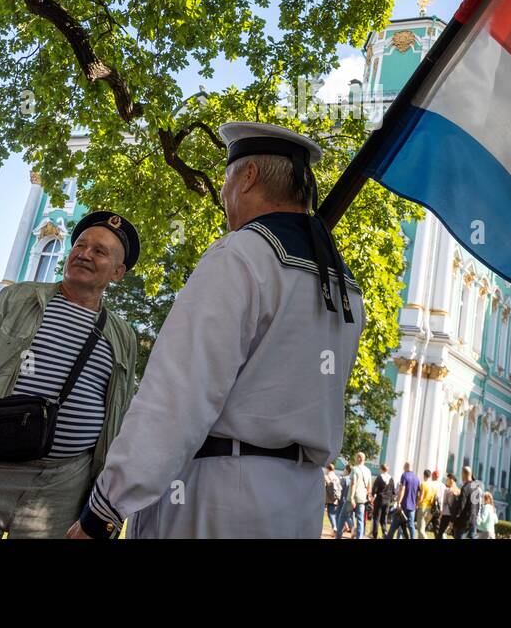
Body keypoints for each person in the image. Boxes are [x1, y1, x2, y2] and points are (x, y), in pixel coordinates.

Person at [69, 122, 366, 539]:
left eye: (227, 183)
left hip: (216, 498)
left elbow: (177, 395)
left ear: (247, 178)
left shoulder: (241, 254)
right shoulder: (345, 283)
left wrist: (107, 505)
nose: (224, 198)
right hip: (297, 503)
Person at [0, 210, 140, 538]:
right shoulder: (18, 298)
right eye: (79, 245)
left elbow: (119, 412)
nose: (84, 254)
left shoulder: (123, 335)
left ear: (118, 272)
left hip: (62, 487)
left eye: (99, 251)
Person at [387, 461, 419, 539]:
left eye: (404, 467)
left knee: (394, 525)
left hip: (403, 505)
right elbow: (419, 494)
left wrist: (398, 502)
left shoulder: (404, 475)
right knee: (411, 526)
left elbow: (402, 489)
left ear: (406, 467)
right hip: (412, 507)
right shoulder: (417, 478)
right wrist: (416, 504)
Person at [452, 466, 482, 540]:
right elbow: (478, 505)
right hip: (473, 520)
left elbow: (461, 506)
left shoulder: (465, 488)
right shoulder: (476, 488)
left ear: (464, 474)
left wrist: (453, 519)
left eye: (462, 473)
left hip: (463, 521)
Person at [370, 462, 396, 538]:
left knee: (376, 518)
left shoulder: (379, 477)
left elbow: (374, 489)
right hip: (387, 501)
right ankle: (384, 532)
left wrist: (372, 496)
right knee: (384, 518)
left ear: (381, 469)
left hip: (379, 500)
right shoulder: (391, 479)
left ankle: (375, 535)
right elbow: (393, 491)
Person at [435, 472, 458, 539]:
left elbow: (444, 503)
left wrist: (441, 515)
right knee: (454, 534)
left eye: (447, 479)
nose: (446, 481)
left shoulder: (447, 490)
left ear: (451, 480)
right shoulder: (458, 491)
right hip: (454, 515)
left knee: (440, 532)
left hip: (446, 514)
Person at [324, 462, 342, 534]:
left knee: (330, 514)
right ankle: (335, 527)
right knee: (333, 513)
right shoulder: (336, 477)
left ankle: (334, 527)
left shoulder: (326, 476)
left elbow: (324, 486)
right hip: (335, 497)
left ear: (328, 468)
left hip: (328, 497)